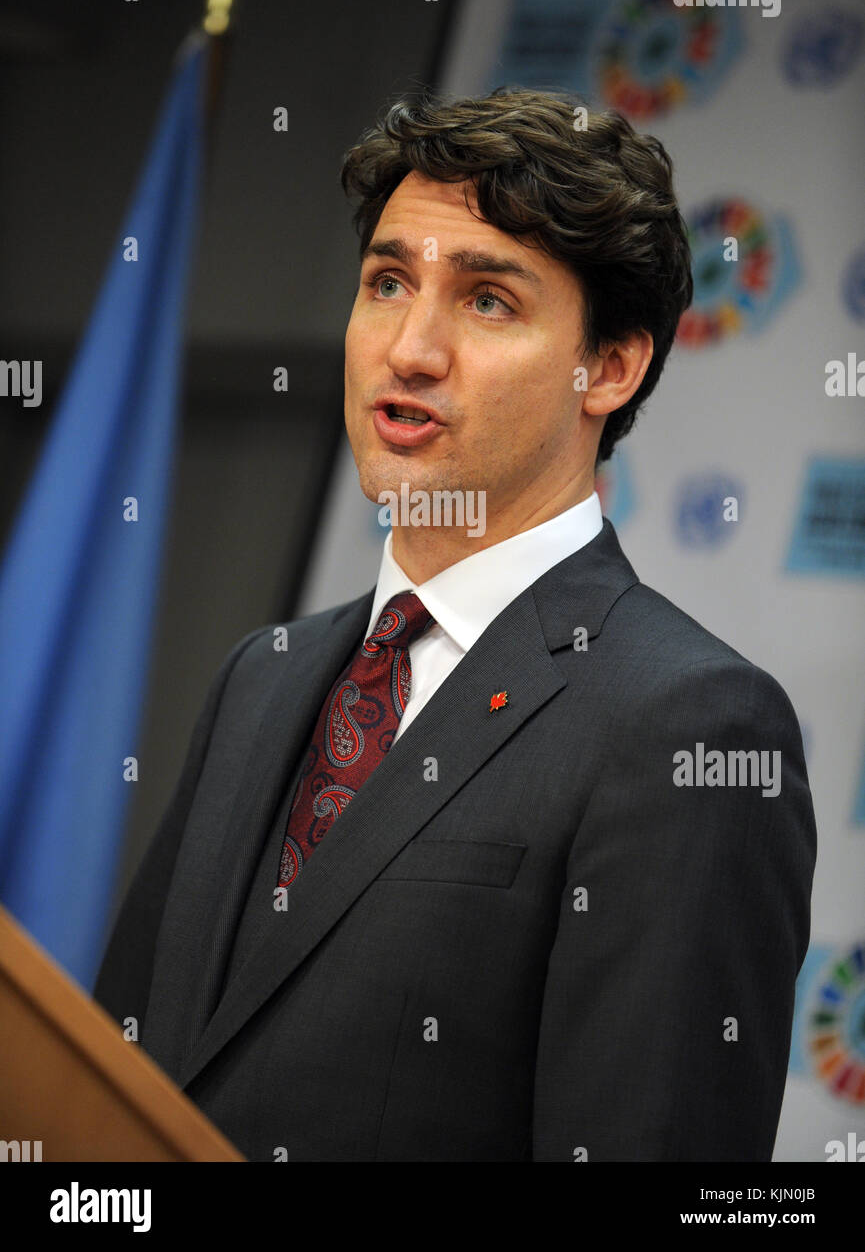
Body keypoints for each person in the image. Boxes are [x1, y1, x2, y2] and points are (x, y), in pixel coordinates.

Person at [93, 87, 816, 1162]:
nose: (410, 349)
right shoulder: (263, 677)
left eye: (487, 301)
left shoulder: (690, 725)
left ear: (609, 367)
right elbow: (113, 1079)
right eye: (387, 282)